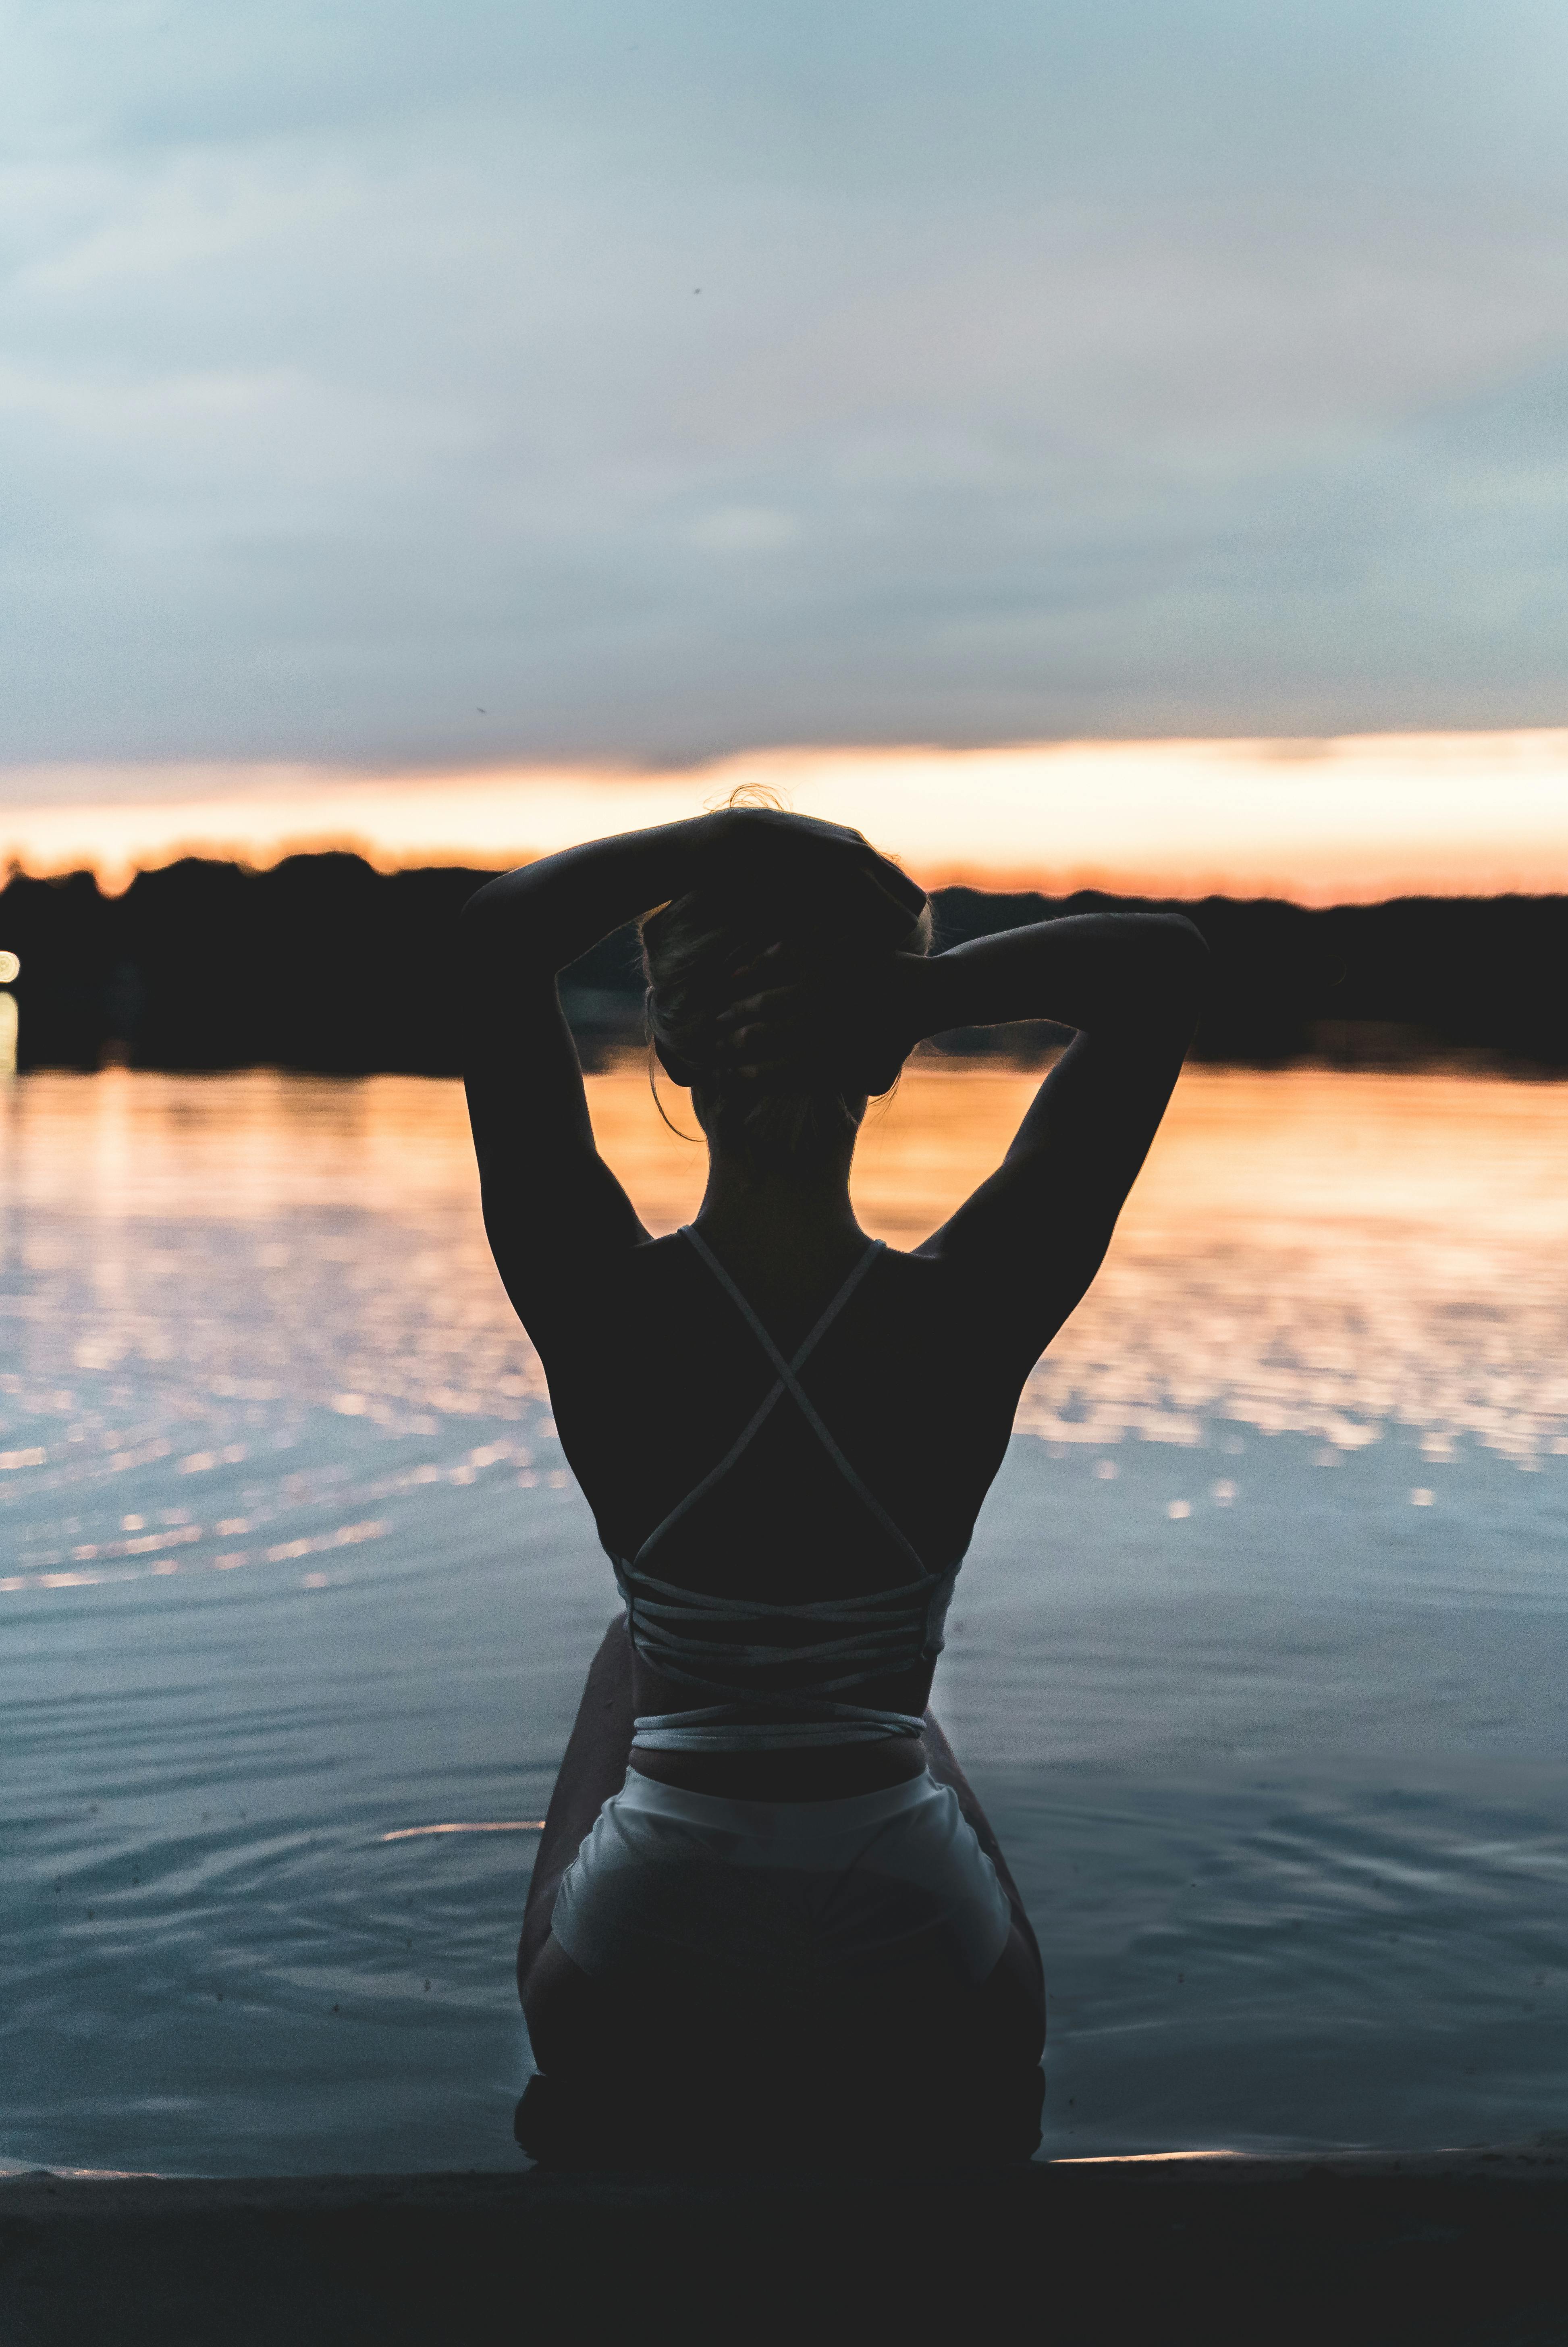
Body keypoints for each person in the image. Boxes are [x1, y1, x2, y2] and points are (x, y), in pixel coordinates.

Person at [460, 803, 1207, 2163]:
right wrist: (905, 996)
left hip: (644, 1948)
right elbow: (1162, 967)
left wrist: (712, 849)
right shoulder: (975, 1309)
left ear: (671, 1046)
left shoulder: (598, 1305)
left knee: (638, 1646)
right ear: (881, 1059)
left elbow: (497, 941)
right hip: (917, 1945)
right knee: (897, 1724)